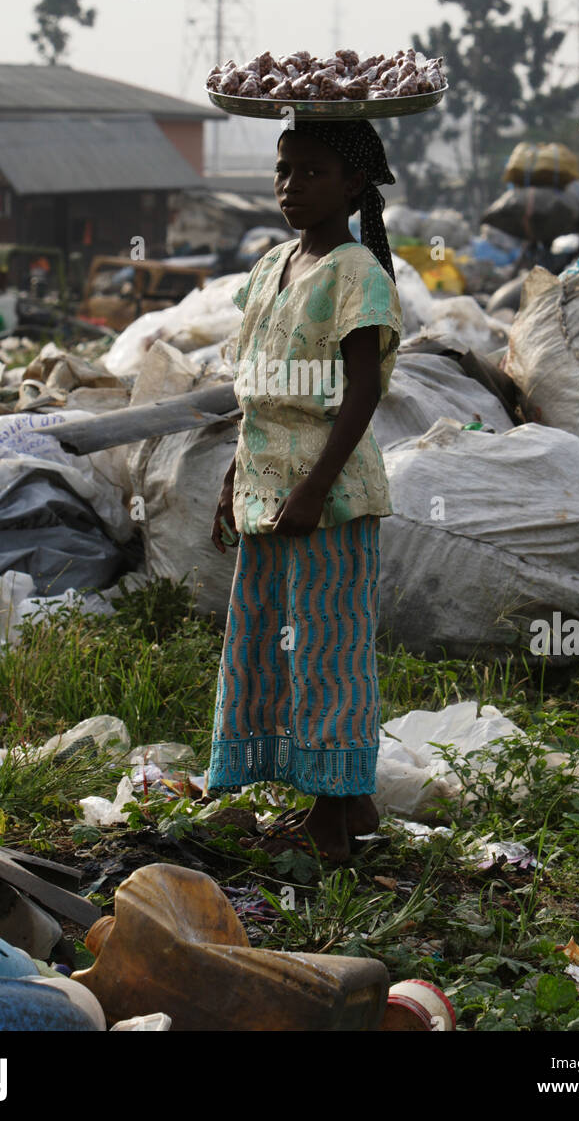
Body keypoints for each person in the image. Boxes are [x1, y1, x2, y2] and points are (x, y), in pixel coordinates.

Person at [207, 119, 403, 864]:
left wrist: (315, 490)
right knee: (266, 639)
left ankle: (332, 807)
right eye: (284, 170)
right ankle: (348, 797)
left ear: (353, 186)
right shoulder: (271, 266)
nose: (291, 186)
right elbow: (257, 388)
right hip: (267, 486)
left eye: (312, 173)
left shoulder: (357, 275)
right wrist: (235, 474)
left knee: (327, 647)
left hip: (331, 496)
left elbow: (362, 393)